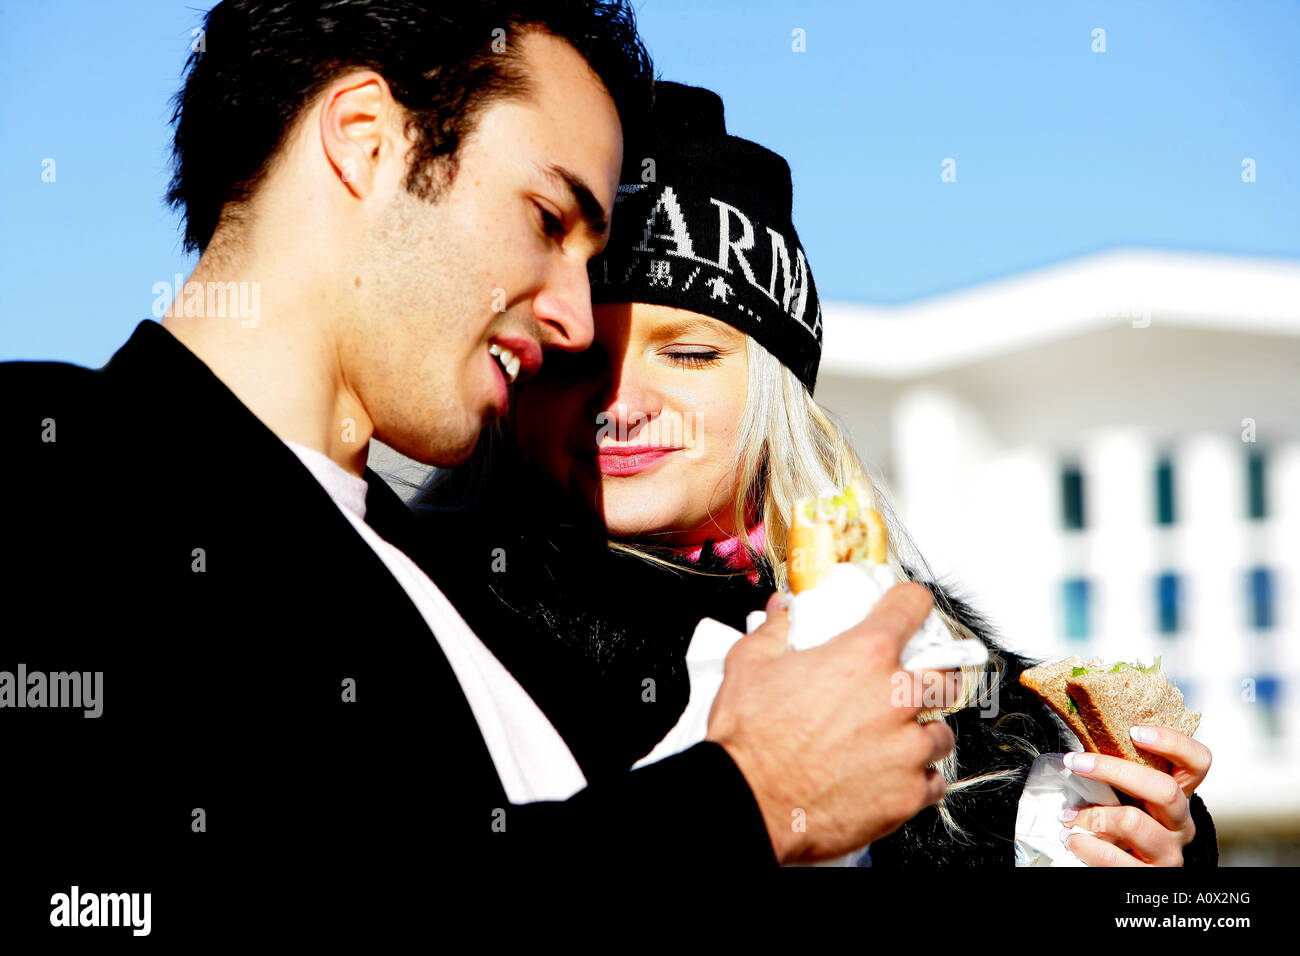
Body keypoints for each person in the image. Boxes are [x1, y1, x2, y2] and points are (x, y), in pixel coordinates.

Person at [1, 2, 961, 933]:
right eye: (548, 218)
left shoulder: (475, 610)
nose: (579, 322)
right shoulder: (56, 466)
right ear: (367, 137)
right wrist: (746, 799)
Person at [411, 81, 1218, 866]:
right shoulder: (420, 610)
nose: (621, 402)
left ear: (774, 390)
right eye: (574, 359)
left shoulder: (946, 667)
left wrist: (1154, 861)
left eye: (688, 353)